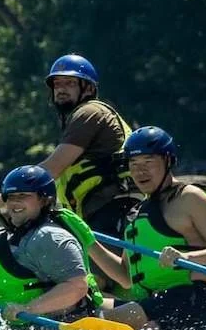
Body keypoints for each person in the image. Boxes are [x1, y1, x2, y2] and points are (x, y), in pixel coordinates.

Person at [87, 127, 206, 330]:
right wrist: (88, 242)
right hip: (153, 303)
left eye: (148, 162)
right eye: (134, 164)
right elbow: (125, 276)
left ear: (168, 160)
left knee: (107, 321)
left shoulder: (189, 198)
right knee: (86, 307)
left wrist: (187, 258)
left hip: (190, 301)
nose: (140, 171)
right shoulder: (137, 213)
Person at [0, 165, 99, 328]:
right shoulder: (13, 238)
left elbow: (77, 286)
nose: (15, 202)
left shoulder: (51, 238)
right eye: (11, 196)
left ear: (44, 200)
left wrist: (29, 309)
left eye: (23, 195)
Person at [37, 54, 138, 238]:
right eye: (57, 84)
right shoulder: (80, 117)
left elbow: (53, 168)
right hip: (101, 211)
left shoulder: (90, 112)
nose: (61, 89)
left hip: (114, 210)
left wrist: (8, 193)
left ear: (89, 88)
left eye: (70, 83)